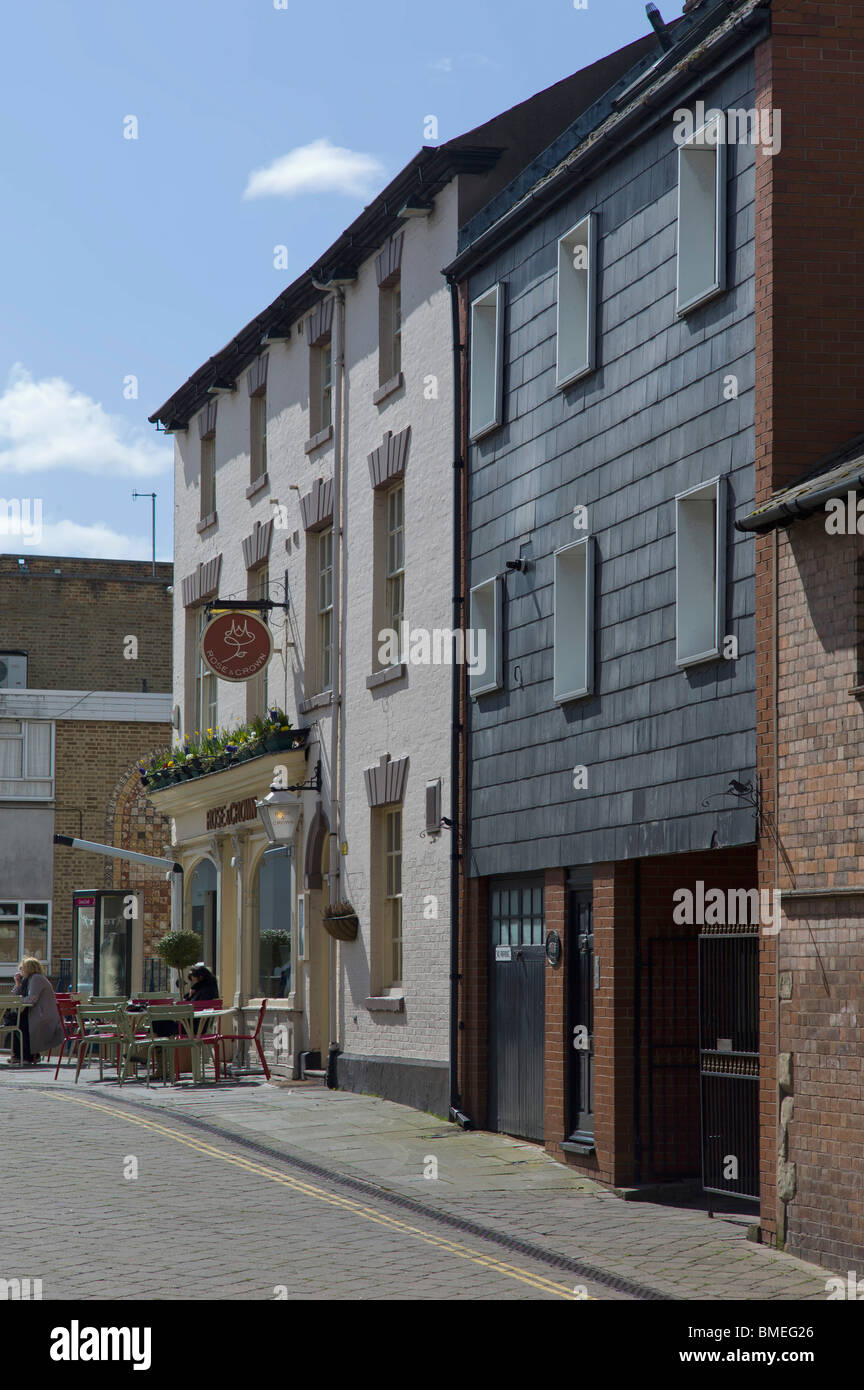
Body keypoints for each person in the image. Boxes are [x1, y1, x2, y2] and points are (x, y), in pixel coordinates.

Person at [6, 958, 64, 1066]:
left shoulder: (37, 979)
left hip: (42, 1015)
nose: (20, 971)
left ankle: (28, 1056)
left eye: (22, 968)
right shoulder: (27, 980)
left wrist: (18, 1001)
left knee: (21, 1025)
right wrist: (17, 984)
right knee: (15, 1022)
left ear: (28, 968)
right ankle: (20, 1055)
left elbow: (32, 998)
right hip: (34, 1012)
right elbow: (14, 995)